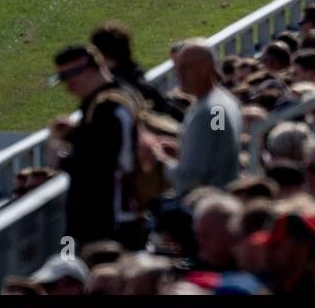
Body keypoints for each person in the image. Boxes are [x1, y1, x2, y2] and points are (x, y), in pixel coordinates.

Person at [47, 44, 145, 248]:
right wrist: (76, 134)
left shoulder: (105, 109)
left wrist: (59, 157)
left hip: (103, 220)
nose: (68, 87)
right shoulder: (123, 93)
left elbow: (96, 167)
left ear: (86, 71)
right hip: (121, 211)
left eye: (69, 79)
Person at [144, 39, 244, 197]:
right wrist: (182, 151)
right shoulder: (222, 102)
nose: (178, 74)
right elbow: (216, 145)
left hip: (207, 203)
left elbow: (192, 178)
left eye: (185, 68)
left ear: (204, 69)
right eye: (177, 68)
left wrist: (158, 161)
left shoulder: (211, 109)